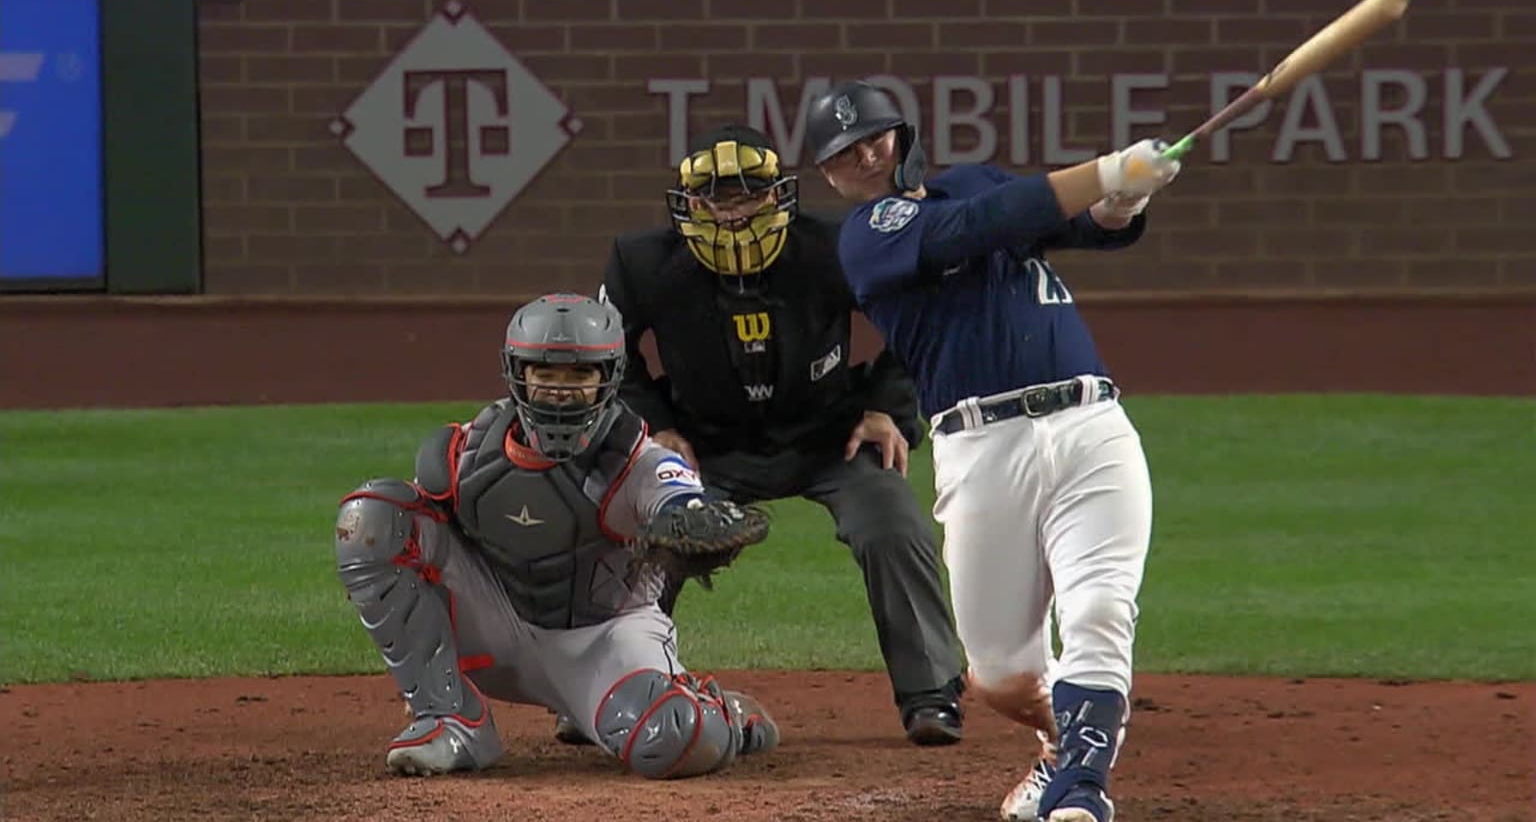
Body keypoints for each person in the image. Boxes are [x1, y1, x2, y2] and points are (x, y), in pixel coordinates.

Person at [803, 80, 1182, 822]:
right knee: (1002, 674)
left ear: (902, 137)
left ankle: (1080, 791)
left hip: (1090, 426)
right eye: (845, 150)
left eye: (875, 135)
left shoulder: (974, 185)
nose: (865, 153)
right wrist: (1105, 171)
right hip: (980, 448)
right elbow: (980, 226)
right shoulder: (867, 235)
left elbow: (1075, 227)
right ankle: (1061, 753)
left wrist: (1122, 201)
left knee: (1100, 606)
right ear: (828, 173)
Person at [580, 122, 968, 747]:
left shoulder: (838, 244)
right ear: (688, 204)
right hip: (705, 446)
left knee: (891, 519)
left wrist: (887, 409)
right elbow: (607, 353)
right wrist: (658, 428)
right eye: (714, 198)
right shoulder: (642, 259)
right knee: (642, 523)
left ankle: (932, 695)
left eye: (744, 196)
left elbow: (917, 321)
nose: (730, 214)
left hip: (828, 436)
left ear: (776, 195)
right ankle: (608, 689)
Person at [333, 293, 778, 780]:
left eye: (579, 376)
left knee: (675, 739)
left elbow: (681, 498)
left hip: (604, 640)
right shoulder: (468, 450)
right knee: (372, 519)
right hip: (498, 624)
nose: (560, 392)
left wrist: (692, 516)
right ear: (517, 373)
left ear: (608, 378)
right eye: (545, 374)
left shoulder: (640, 461)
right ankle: (449, 717)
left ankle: (724, 713)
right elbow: (413, 538)